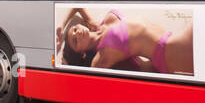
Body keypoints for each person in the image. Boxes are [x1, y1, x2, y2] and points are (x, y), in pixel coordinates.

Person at [56, 7, 193, 75]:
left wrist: (62, 25)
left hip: (172, 39)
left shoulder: (98, 24)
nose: (77, 33)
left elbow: (77, 6)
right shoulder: (101, 58)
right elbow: (87, 82)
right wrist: (66, 65)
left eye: (74, 29)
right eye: (75, 41)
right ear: (82, 54)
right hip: (170, 52)